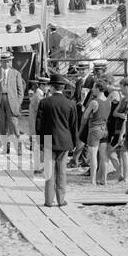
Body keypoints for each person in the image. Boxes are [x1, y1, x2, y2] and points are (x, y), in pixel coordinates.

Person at [35, 74, 77, 207]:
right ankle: (61, 199)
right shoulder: (70, 103)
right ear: (62, 87)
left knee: (49, 173)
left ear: (51, 87)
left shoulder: (44, 102)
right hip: (65, 140)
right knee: (62, 171)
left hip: (48, 140)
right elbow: (73, 125)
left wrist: (40, 141)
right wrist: (74, 142)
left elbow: (38, 124)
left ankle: (48, 200)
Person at [0, 50, 26, 159]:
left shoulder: (16, 74)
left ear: (11, 61)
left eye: (8, 61)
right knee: (1, 126)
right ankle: (6, 148)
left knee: (14, 125)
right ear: (1, 62)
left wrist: (18, 103)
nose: (6, 63)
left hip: (12, 103)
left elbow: (20, 90)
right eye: (4, 61)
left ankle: (18, 148)